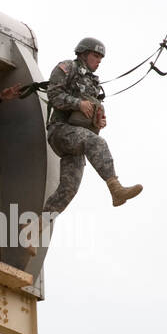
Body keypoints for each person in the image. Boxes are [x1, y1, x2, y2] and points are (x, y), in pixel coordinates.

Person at [43, 38, 143, 218]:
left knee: (68, 190)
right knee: (97, 142)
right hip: (60, 130)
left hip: (76, 138)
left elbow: (90, 111)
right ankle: (115, 189)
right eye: (95, 55)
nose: (98, 60)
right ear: (83, 53)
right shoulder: (68, 67)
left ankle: (33, 230)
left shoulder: (94, 84)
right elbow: (53, 94)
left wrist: (98, 120)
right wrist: (78, 104)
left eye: (101, 58)